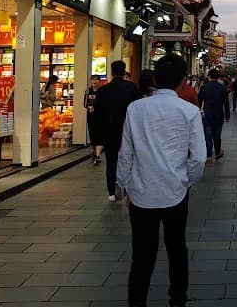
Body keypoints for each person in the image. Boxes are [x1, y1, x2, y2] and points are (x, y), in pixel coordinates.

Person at [117, 54, 206, 307]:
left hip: (141, 192)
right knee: (177, 249)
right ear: (184, 80)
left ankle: (137, 302)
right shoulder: (189, 111)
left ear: (155, 78)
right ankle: (177, 299)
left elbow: (126, 153)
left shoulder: (135, 109)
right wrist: (186, 180)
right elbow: (199, 158)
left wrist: (124, 186)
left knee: (142, 255)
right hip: (175, 191)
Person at [94, 60, 139, 201]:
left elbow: (97, 113)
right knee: (129, 159)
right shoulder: (132, 88)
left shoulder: (103, 90)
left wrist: (98, 136)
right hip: (128, 130)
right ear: (124, 71)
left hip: (109, 131)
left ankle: (112, 192)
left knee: (111, 161)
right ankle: (127, 188)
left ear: (112, 72)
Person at [198, 69, 228, 164]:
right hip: (219, 114)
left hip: (208, 115)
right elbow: (226, 103)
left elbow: (199, 101)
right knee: (217, 135)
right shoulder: (222, 87)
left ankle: (209, 157)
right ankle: (218, 152)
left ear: (209, 76)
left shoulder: (204, 87)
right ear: (218, 77)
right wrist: (227, 116)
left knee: (208, 135)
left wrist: (198, 112)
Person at [84, 75, 103, 165]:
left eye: (97, 80)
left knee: (99, 135)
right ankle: (95, 153)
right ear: (91, 81)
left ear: (99, 81)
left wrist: (97, 108)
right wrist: (89, 107)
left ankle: (98, 156)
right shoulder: (88, 91)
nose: (95, 81)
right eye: (93, 79)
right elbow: (84, 103)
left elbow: (104, 103)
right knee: (92, 135)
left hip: (100, 116)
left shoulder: (102, 91)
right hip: (90, 116)